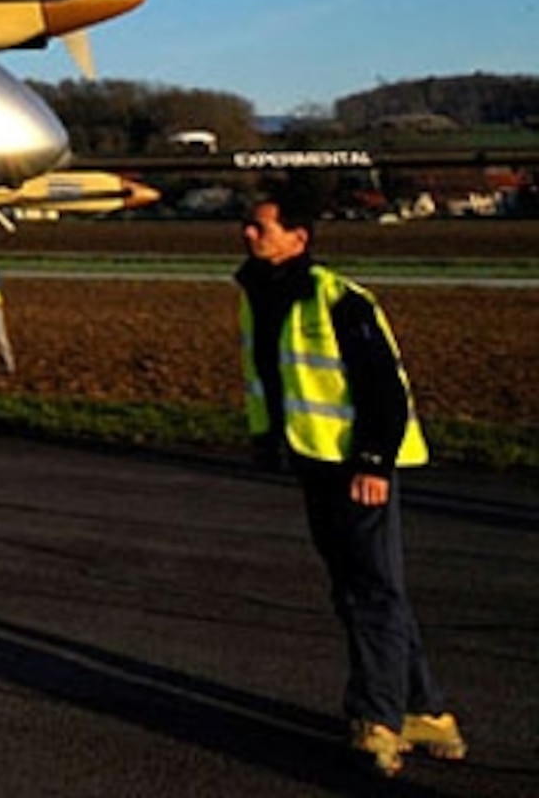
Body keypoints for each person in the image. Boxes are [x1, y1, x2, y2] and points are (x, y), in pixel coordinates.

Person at [236, 197, 464, 777]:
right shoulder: (258, 294)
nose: (248, 233)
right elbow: (271, 376)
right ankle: (427, 710)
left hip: (355, 468)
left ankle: (378, 720)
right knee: (362, 588)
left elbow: (386, 389)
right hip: (313, 460)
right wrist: (268, 441)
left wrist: (372, 462)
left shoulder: (341, 300)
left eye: (261, 227)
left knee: (371, 593)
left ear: (298, 238)